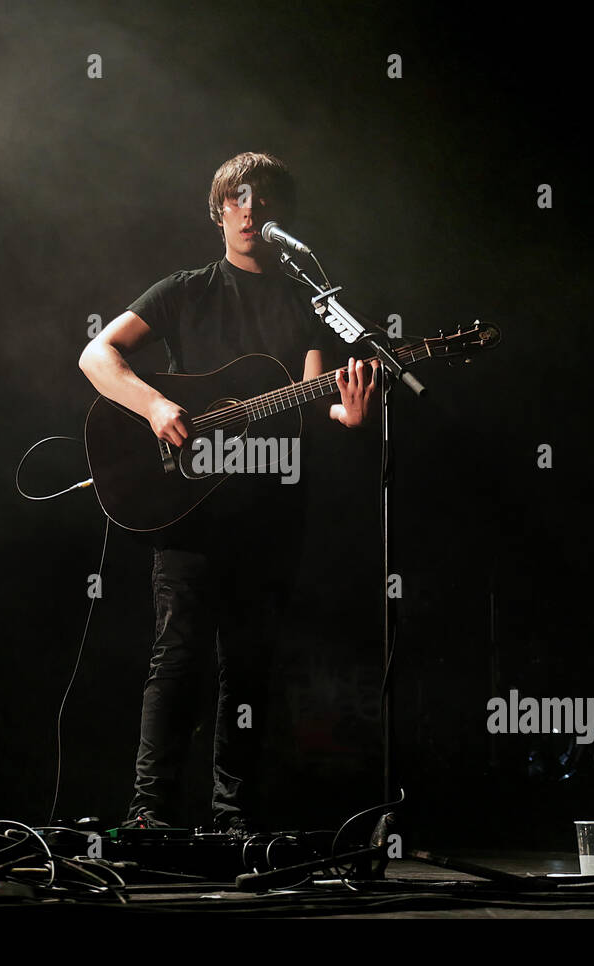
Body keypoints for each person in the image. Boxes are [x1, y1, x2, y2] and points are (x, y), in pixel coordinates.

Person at [78, 152, 377, 835]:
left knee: (249, 666)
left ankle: (232, 819)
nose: (250, 210)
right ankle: (150, 814)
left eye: (264, 200)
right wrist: (154, 406)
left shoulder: (307, 303)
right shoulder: (186, 289)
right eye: (237, 199)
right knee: (179, 654)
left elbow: (313, 393)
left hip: (270, 512)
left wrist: (348, 414)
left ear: (280, 218)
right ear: (218, 211)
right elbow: (98, 355)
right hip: (188, 510)